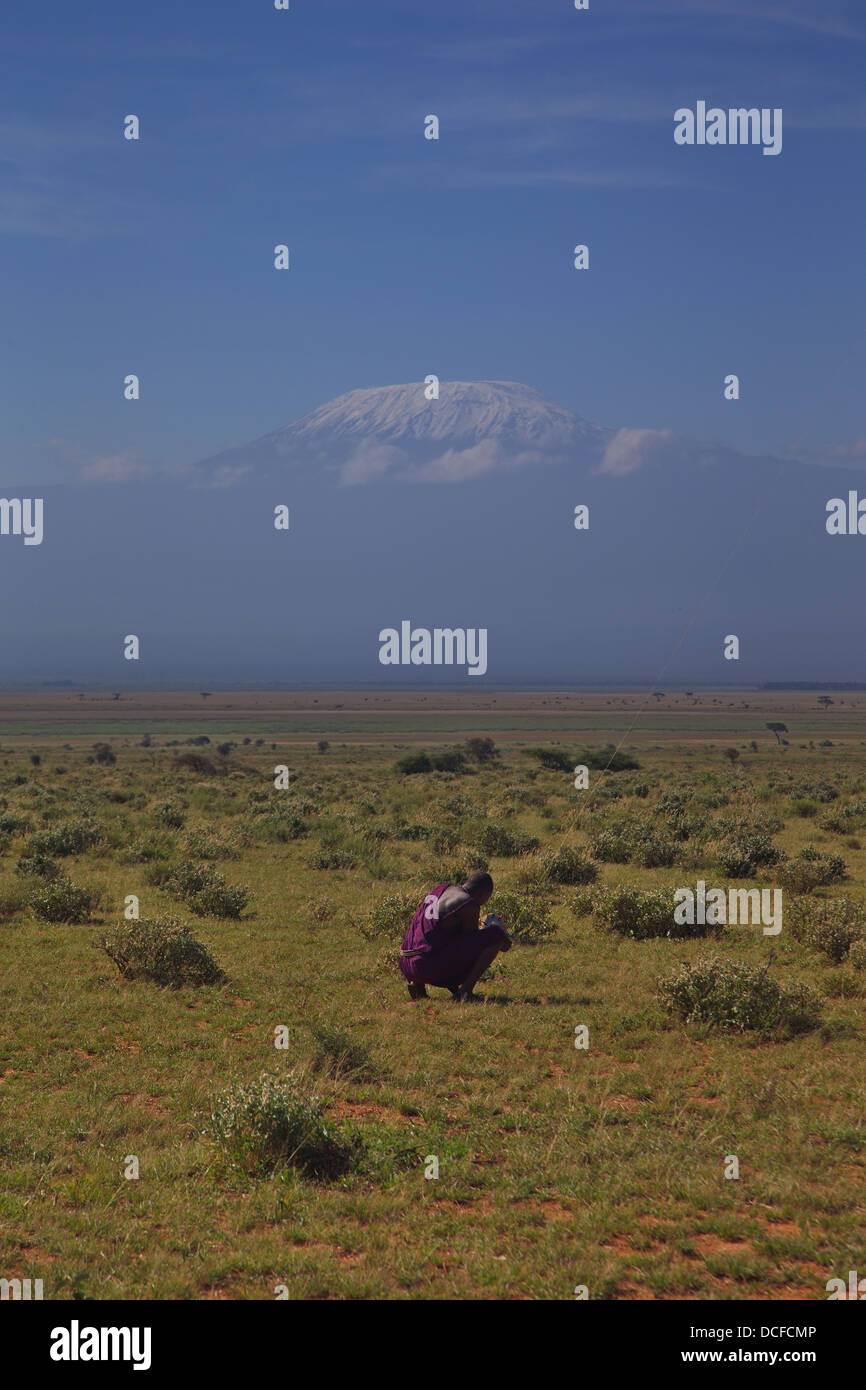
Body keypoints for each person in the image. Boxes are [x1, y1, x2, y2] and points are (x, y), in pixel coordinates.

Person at [398, 871, 511, 1003]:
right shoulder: (469, 904)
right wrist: (501, 941)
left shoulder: (442, 889)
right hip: (425, 966)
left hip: (405, 962)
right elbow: (471, 946)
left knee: (432, 939)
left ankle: (418, 984)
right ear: (482, 894)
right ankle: (465, 992)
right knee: (495, 935)